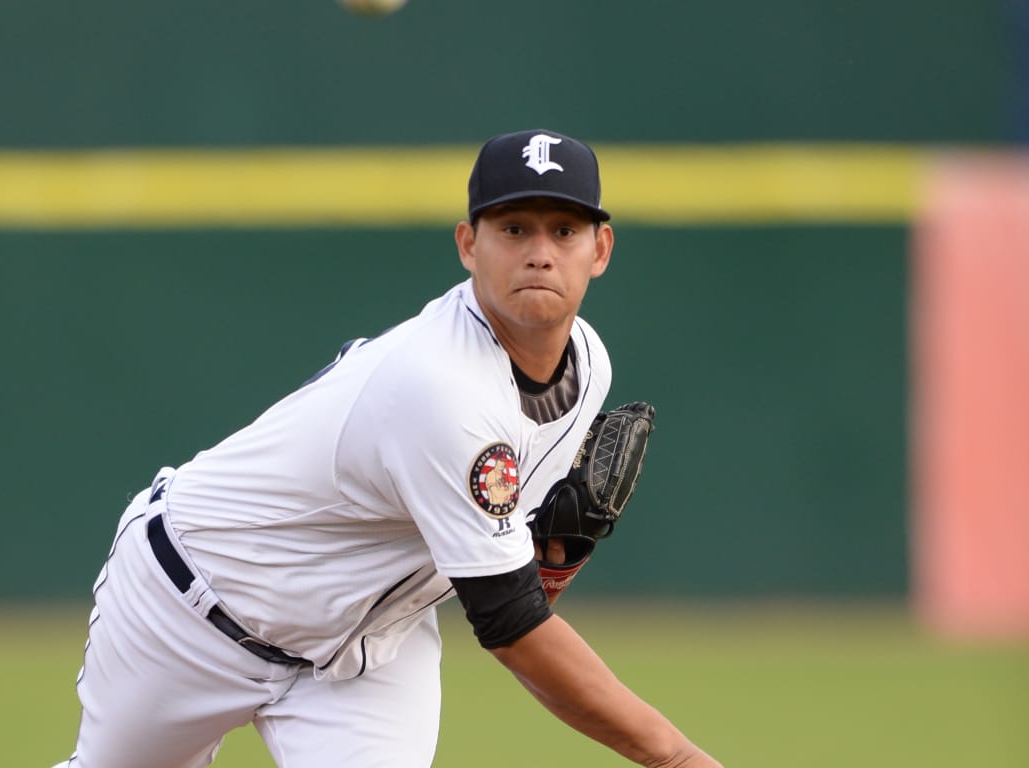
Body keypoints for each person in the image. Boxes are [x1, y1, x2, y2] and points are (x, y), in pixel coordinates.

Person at [52, 130, 721, 768]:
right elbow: (510, 623)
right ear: (468, 244)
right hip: (192, 606)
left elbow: (510, 581)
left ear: (600, 249)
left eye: (564, 231)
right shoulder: (441, 386)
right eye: (514, 229)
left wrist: (548, 560)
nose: (540, 252)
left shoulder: (588, 366)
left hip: (362, 648)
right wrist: (674, 754)